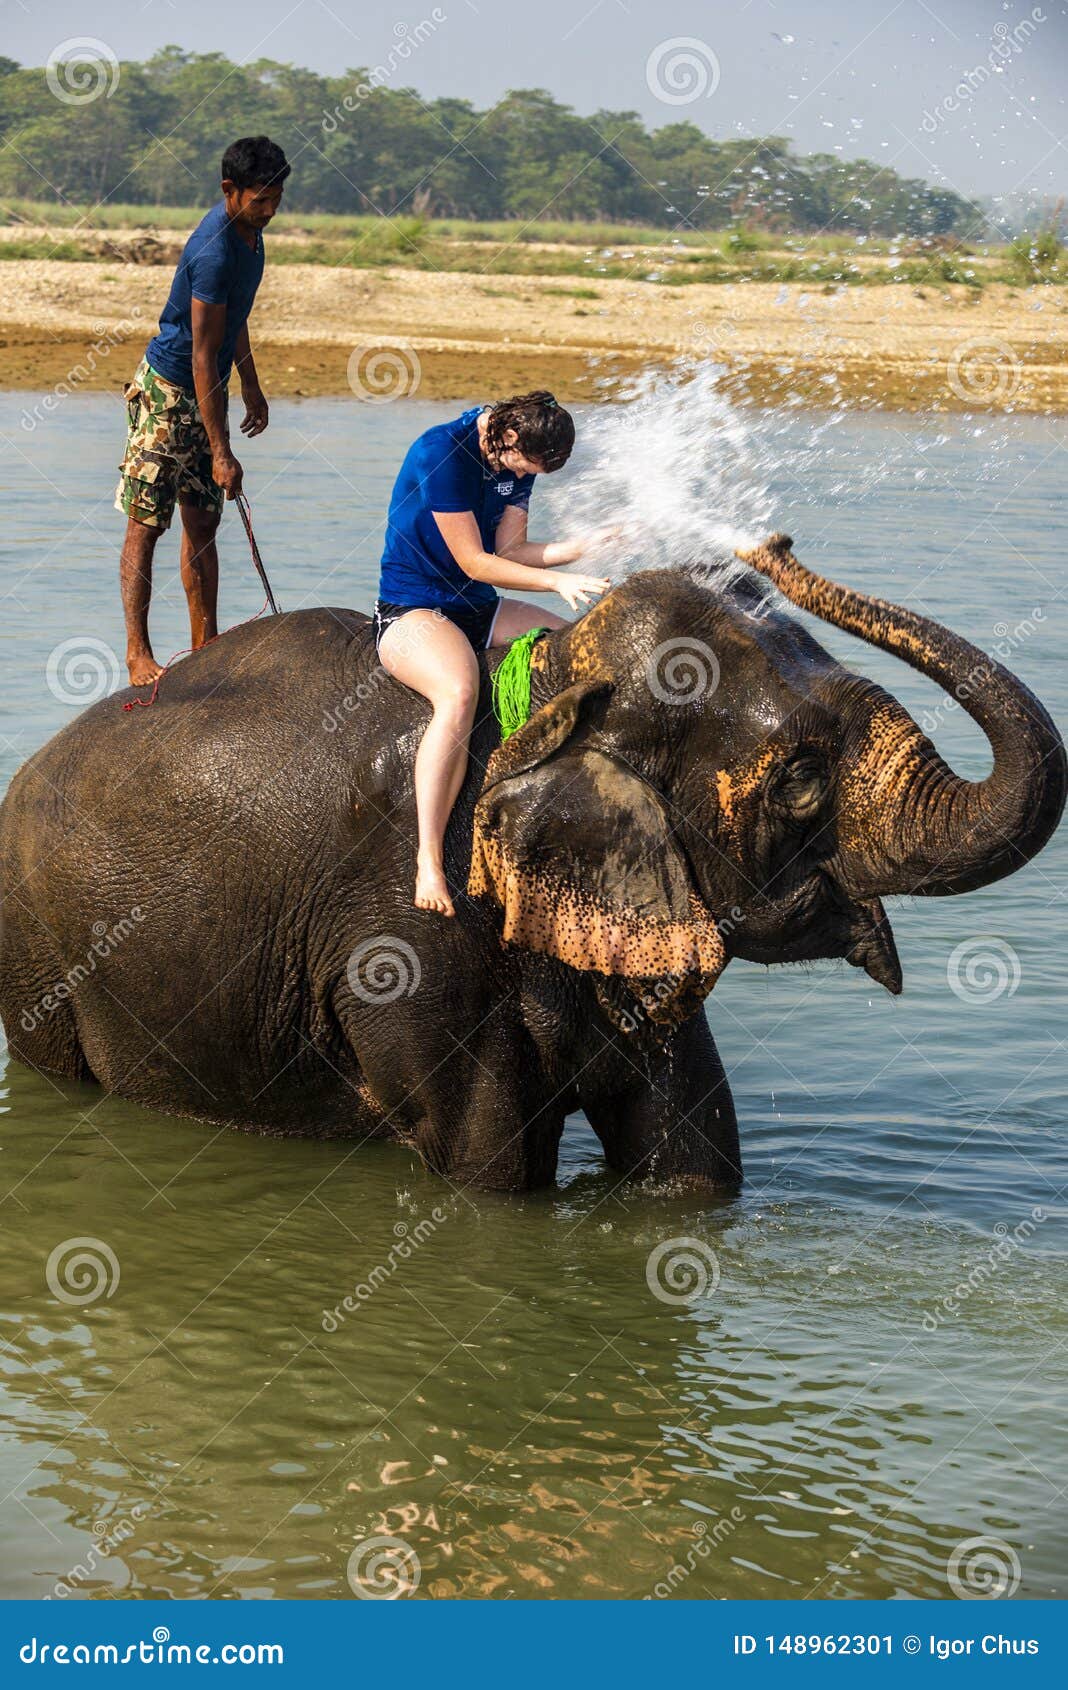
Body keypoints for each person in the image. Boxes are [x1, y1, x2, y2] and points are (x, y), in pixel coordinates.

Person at [375, 391, 612, 919]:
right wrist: (554, 581)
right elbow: (475, 561)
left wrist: (582, 546)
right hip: (414, 610)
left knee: (583, 644)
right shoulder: (442, 451)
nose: (534, 477)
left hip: (480, 609)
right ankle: (429, 859)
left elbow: (509, 552)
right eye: (532, 466)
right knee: (459, 693)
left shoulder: (515, 459)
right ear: (507, 438)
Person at [114, 136, 291, 685]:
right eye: (259, 200)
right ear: (228, 190)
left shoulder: (252, 238)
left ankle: (204, 645)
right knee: (147, 525)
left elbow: (232, 322)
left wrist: (253, 386)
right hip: (170, 390)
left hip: (208, 384)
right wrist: (221, 450)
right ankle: (137, 652)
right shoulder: (214, 250)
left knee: (204, 523)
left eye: (276, 199)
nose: (268, 211)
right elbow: (200, 351)